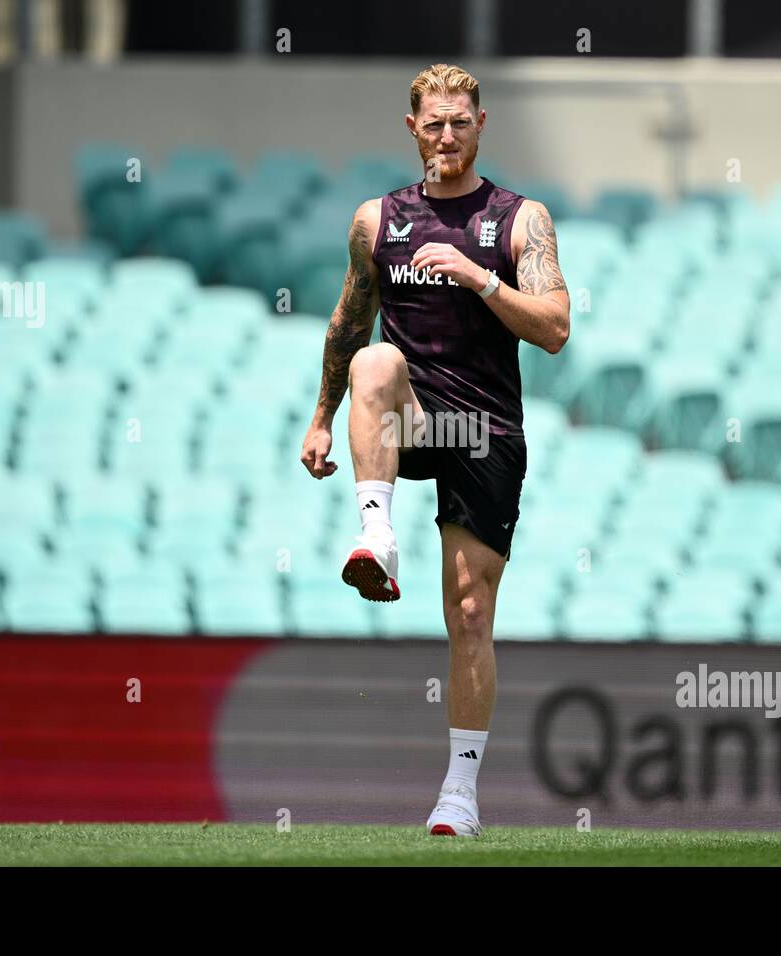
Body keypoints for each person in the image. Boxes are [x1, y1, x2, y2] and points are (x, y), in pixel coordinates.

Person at [300, 63, 570, 836]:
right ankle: (376, 534)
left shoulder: (521, 220)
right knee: (375, 361)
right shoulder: (377, 222)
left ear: (481, 124)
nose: (447, 134)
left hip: (484, 430)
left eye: (461, 120)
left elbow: (554, 329)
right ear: (412, 128)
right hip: (415, 418)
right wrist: (322, 417)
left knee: (471, 611)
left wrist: (482, 281)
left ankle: (459, 792)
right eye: (433, 122)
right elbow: (348, 322)